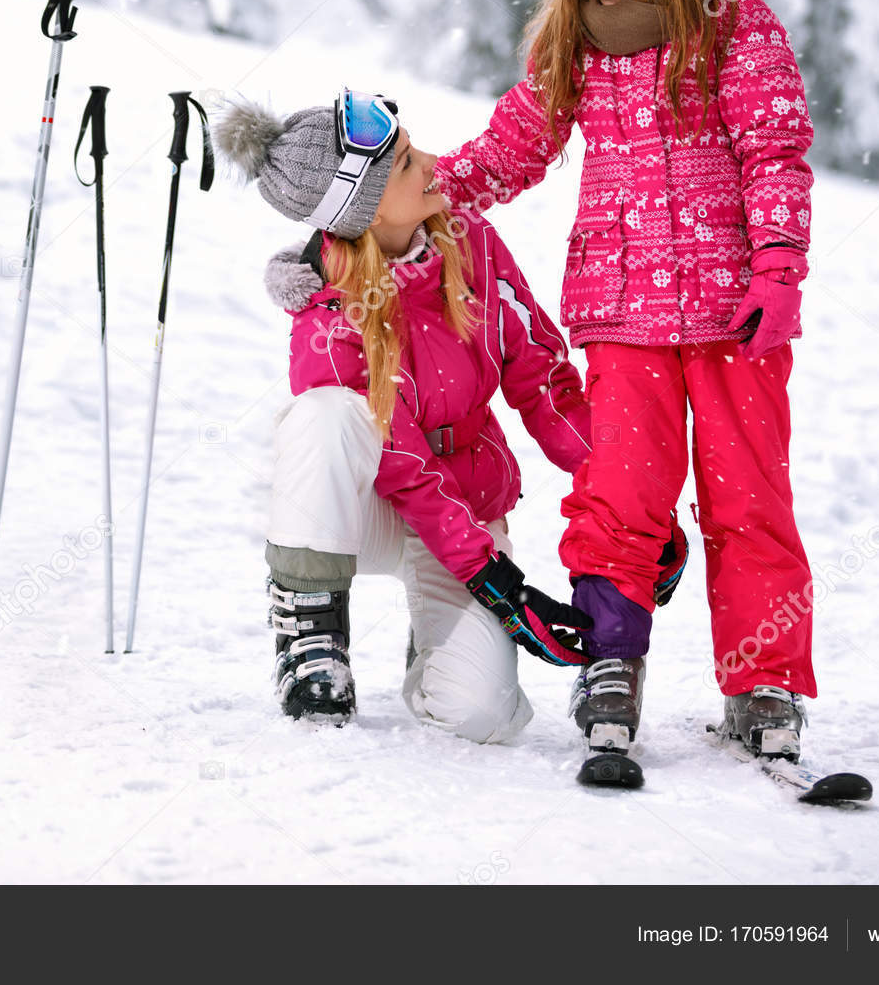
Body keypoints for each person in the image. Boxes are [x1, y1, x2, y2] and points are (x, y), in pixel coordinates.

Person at [427, 0, 819, 762]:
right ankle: (611, 659)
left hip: (735, 313)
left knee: (747, 495)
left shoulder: (733, 25)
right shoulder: (572, 37)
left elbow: (774, 153)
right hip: (620, 308)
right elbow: (511, 148)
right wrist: (428, 193)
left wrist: (778, 269)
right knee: (620, 493)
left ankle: (761, 680)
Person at [214, 90, 628, 745]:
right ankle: (311, 638)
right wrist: (495, 579)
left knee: (481, 715)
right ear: (364, 208)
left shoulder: (472, 241)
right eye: (408, 162)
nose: (436, 162)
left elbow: (542, 379)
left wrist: (620, 490)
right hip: (367, 510)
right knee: (322, 417)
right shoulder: (327, 323)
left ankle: (436, 634)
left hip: (463, 501)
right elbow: (404, 470)